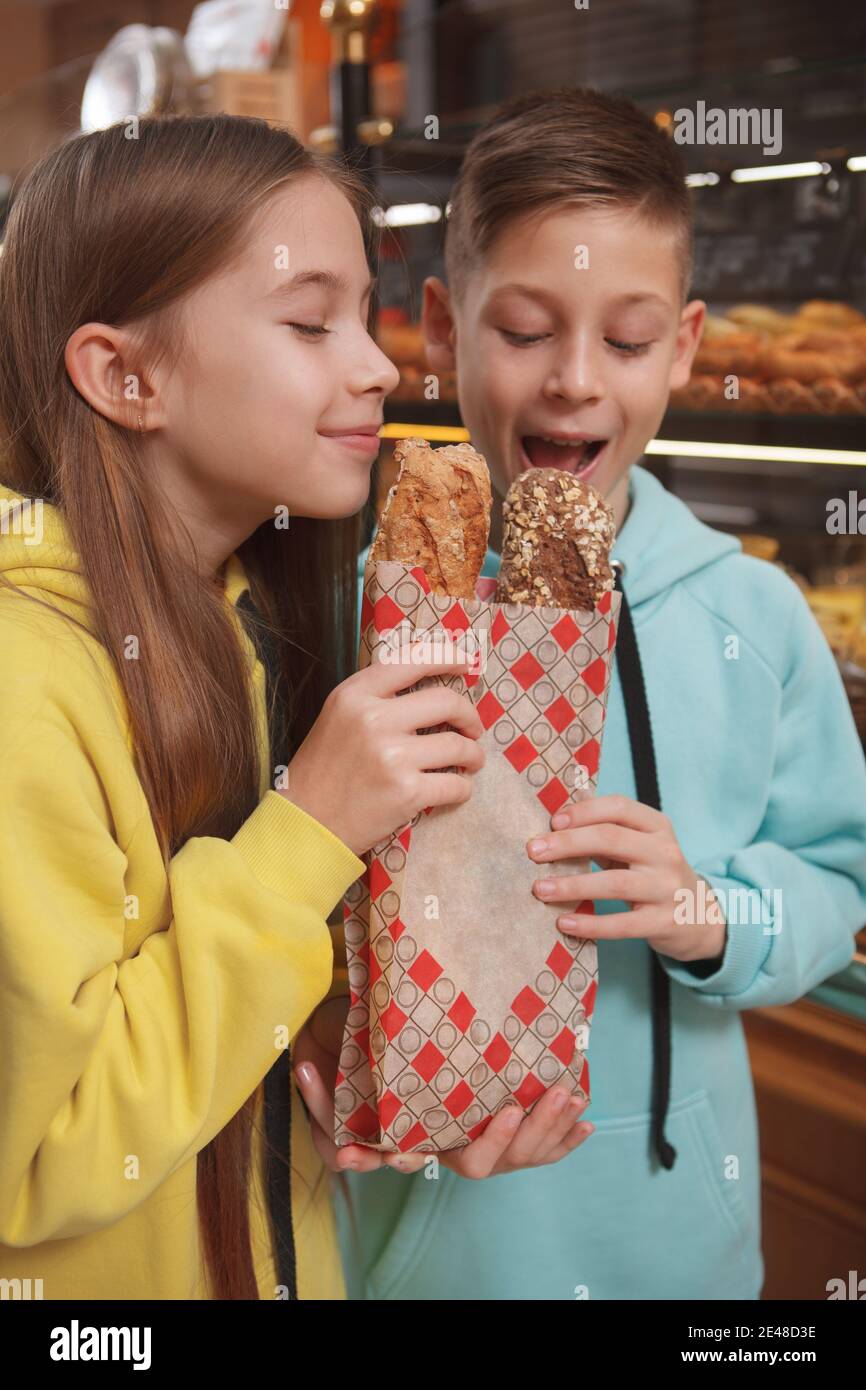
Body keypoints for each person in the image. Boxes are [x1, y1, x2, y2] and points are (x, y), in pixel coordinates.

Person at [0, 113, 586, 1302]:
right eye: (308, 321)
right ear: (125, 374)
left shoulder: (246, 626)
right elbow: (39, 1153)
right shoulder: (24, 680)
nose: (373, 366)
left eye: (363, 317)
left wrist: (360, 1061)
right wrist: (305, 832)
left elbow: (194, 1038)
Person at [324, 87, 866, 1299]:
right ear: (438, 327)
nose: (575, 381)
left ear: (680, 348)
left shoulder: (753, 619)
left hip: (678, 1238)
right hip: (426, 1237)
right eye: (522, 330)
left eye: (623, 343)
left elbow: (837, 881)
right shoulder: (357, 614)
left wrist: (709, 911)